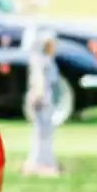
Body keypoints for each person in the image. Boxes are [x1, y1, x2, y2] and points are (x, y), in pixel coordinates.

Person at [24, 28, 61, 177]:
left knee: (43, 133)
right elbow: (38, 81)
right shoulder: (41, 61)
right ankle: (42, 164)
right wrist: (38, 96)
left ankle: (40, 162)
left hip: (46, 100)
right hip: (43, 101)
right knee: (43, 133)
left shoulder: (44, 60)